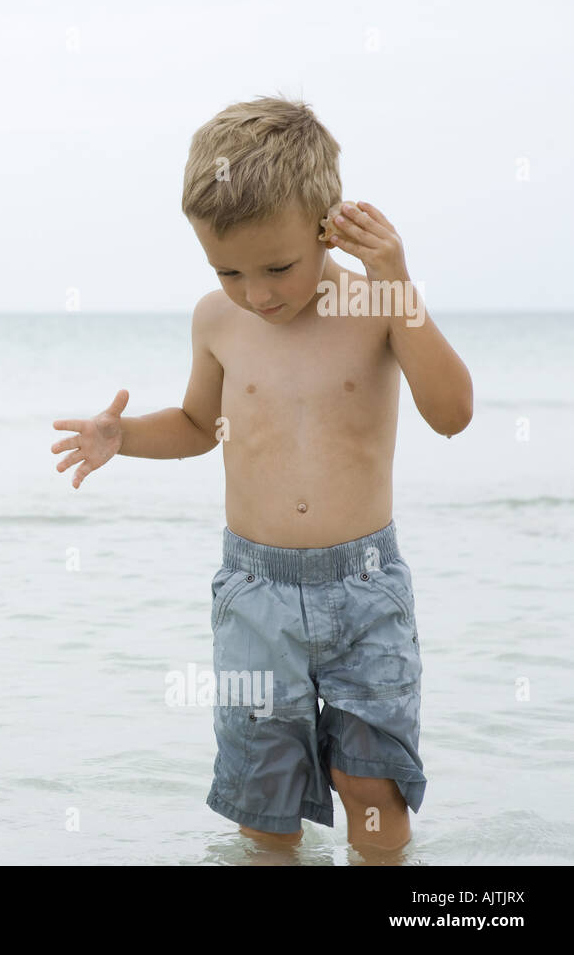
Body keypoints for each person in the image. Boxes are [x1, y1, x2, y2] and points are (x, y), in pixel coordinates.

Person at [50, 95, 473, 855]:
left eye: (277, 267)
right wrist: (124, 437)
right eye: (230, 269)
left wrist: (399, 282)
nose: (259, 293)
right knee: (262, 795)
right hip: (256, 595)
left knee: (370, 783)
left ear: (328, 224)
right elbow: (195, 426)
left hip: (365, 587)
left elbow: (453, 413)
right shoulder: (217, 320)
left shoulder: (378, 306)